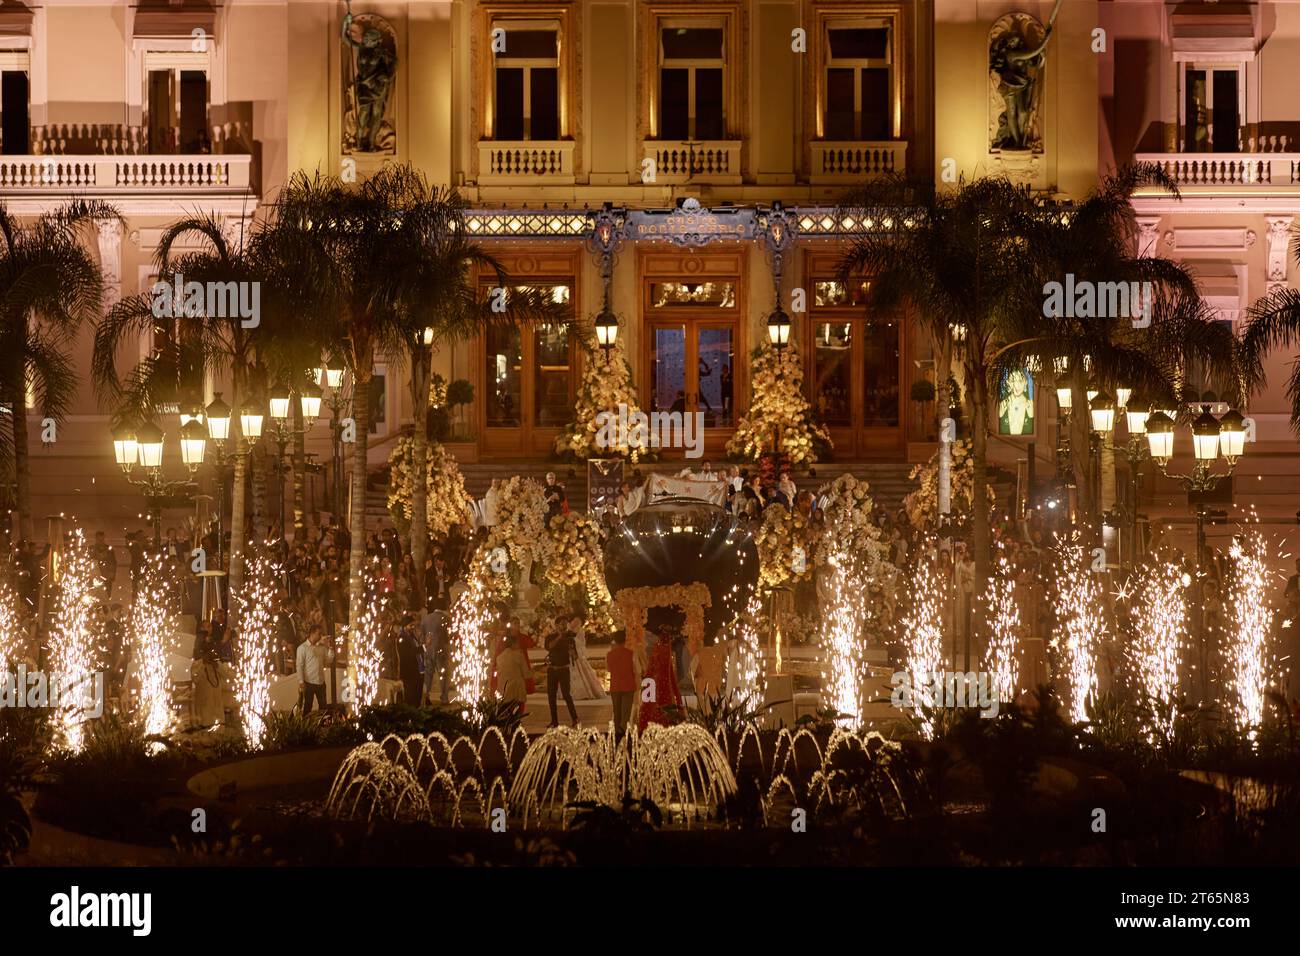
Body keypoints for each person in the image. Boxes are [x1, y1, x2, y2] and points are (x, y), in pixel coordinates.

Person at [544, 618, 579, 728]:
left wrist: (572, 651)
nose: (563, 626)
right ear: (556, 625)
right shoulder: (550, 637)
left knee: (567, 695)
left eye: (565, 624)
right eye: (561, 624)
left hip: (564, 669)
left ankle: (575, 718)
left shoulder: (570, 639)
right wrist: (559, 637)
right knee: (551, 696)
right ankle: (554, 721)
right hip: (552, 670)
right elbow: (549, 647)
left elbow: (575, 657)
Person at [565, 614, 606, 701]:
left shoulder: (576, 619)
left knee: (577, 666)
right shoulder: (576, 619)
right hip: (573, 645)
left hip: (574, 646)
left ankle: (580, 692)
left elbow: (571, 633)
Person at [296, 623, 333, 715]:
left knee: (323, 706)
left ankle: (323, 726)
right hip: (309, 682)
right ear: (312, 634)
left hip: (321, 682)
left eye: (321, 634)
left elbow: (329, 661)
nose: (321, 636)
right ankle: (306, 726)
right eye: (319, 633)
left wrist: (330, 649)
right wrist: (301, 681)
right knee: (307, 707)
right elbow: (299, 665)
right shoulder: (302, 648)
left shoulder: (322, 647)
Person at [606, 631, 636, 735]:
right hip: (628, 685)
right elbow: (635, 669)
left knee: (616, 711)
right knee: (626, 711)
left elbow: (608, 669)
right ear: (625, 639)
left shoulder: (609, 654)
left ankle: (616, 732)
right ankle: (622, 730)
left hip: (615, 685)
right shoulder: (630, 654)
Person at [495, 632, 532, 714]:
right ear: (513, 644)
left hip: (503, 690)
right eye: (517, 643)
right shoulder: (518, 655)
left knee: (504, 714)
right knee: (517, 714)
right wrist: (534, 671)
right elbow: (527, 674)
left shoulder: (499, 657)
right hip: (516, 690)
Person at [420, 605, 448, 705]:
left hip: (428, 650)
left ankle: (426, 696)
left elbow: (422, 635)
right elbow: (447, 636)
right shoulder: (445, 618)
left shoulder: (426, 618)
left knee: (428, 675)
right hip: (441, 650)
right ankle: (444, 698)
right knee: (443, 675)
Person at [396, 613, 424, 706]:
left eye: (414, 625)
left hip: (418, 670)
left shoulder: (411, 636)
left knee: (417, 696)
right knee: (411, 697)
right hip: (410, 672)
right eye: (411, 625)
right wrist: (424, 647)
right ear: (405, 626)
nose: (413, 627)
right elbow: (410, 653)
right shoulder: (402, 637)